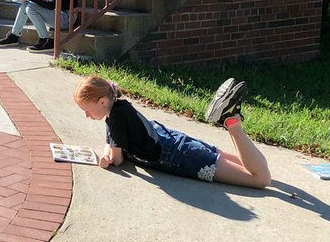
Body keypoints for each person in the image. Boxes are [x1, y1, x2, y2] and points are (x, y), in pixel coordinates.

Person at [73, 76, 271, 189]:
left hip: (181, 157)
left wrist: (107, 158)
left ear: (101, 101)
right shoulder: (117, 107)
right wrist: (109, 148)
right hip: (174, 141)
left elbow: (117, 159)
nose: (87, 116)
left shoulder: (115, 118)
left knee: (260, 179)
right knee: (252, 164)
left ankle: (231, 121)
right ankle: (230, 118)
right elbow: (113, 141)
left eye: (87, 110)